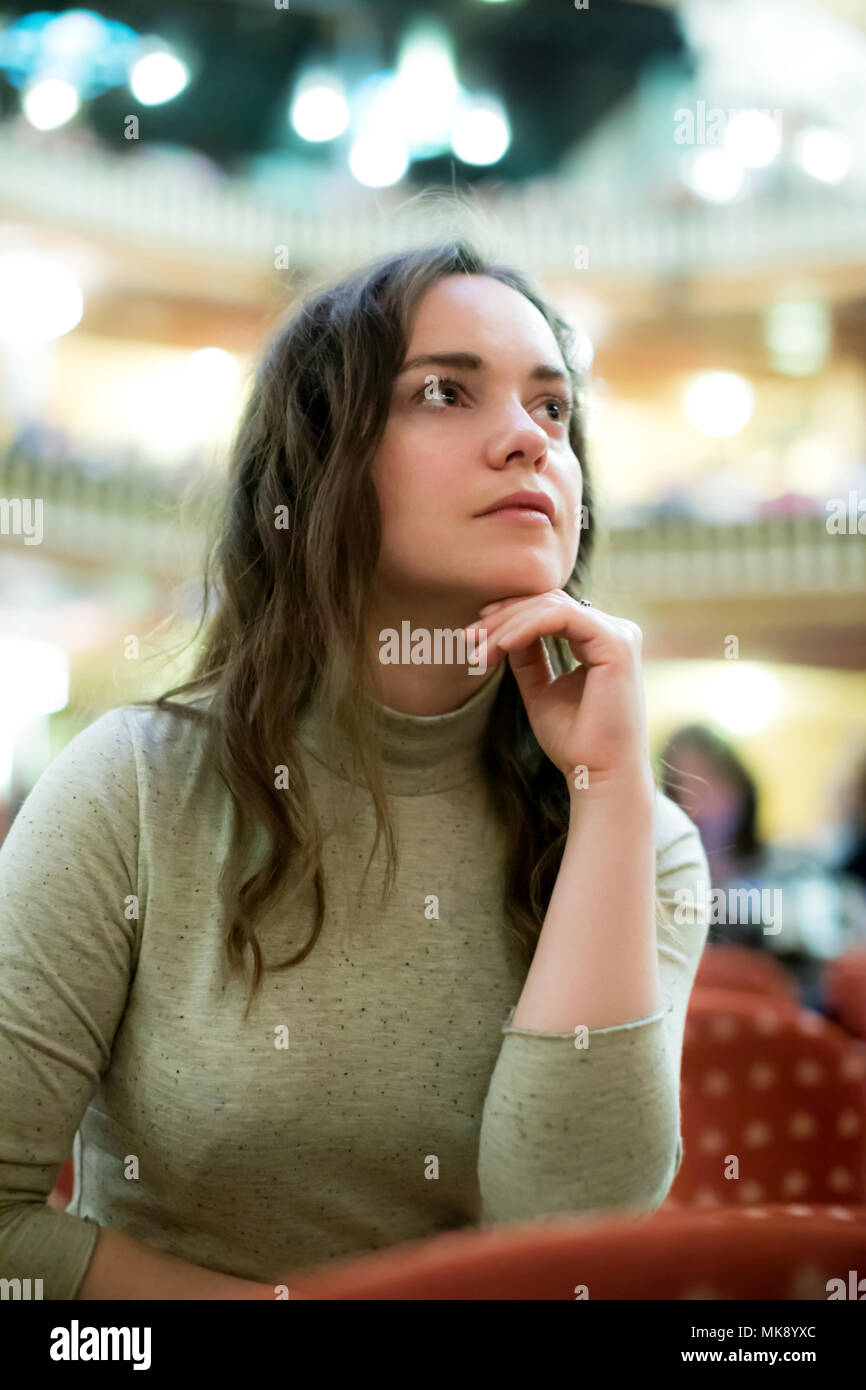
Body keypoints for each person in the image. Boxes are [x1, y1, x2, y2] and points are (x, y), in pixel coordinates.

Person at [0, 240, 710, 1300]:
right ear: (319, 460)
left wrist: (606, 787)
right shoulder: (137, 785)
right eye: (444, 392)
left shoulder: (641, 840)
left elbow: (571, 1248)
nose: (527, 439)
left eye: (552, 409)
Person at [657, 724, 866, 1012]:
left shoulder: (794, 872)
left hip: (790, 1021)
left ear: (739, 786)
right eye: (681, 788)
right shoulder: (657, 888)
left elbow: (829, 966)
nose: (696, 804)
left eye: (708, 783)